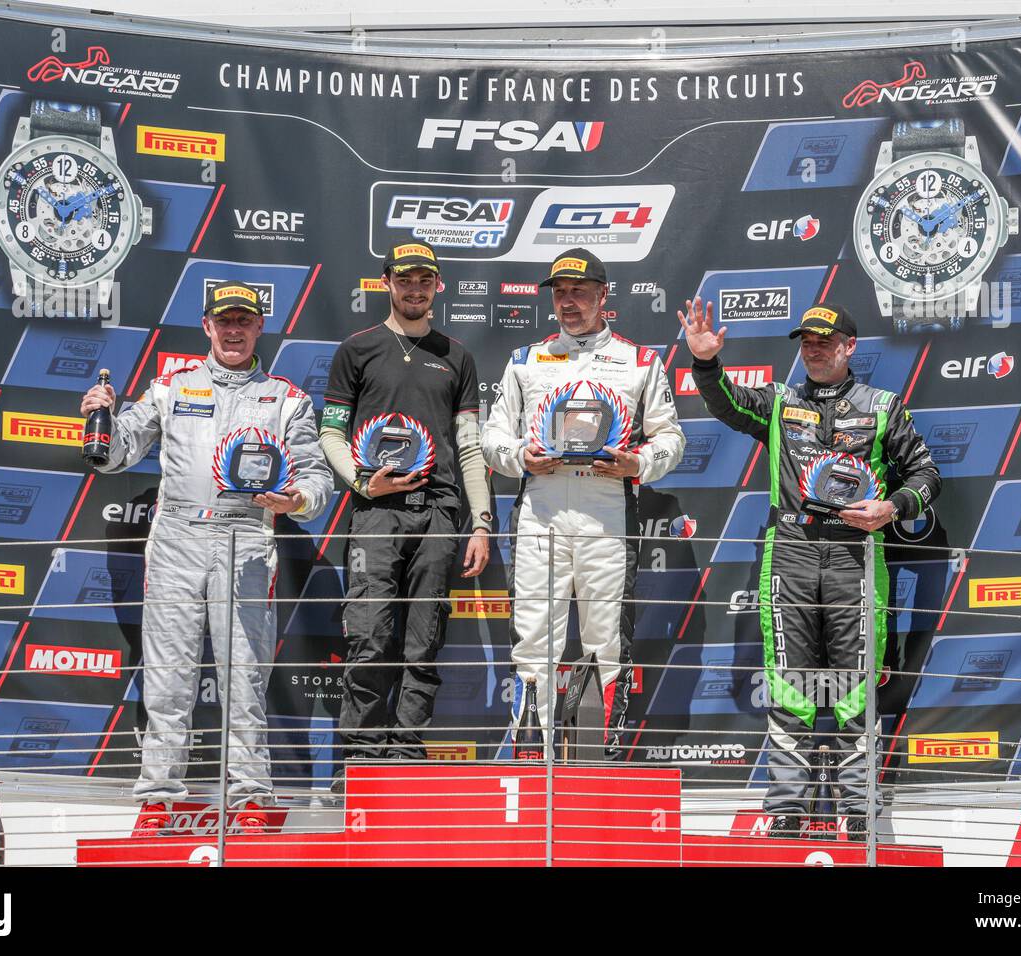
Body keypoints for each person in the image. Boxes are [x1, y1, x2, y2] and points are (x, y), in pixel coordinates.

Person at [679, 298, 941, 840]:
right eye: (806, 342)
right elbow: (728, 405)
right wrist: (705, 363)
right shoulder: (779, 401)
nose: (814, 350)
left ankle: (858, 805)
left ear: (849, 348)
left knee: (857, 684)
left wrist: (891, 508)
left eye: (825, 342)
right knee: (789, 682)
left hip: (857, 554)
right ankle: (788, 807)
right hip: (791, 549)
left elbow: (926, 473)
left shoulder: (883, 405)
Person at [80, 280, 332, 835]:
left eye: (245, 319)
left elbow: (318, 477)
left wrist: (298, 499)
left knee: (244, 679)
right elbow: (118, 453)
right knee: (168, 680)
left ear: (260, 325)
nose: (235, 329)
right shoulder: (171, 385)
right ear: (208, 326)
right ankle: (160, 799)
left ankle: (250, 796)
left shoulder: (287, 398)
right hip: (176, 538)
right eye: (225, 320)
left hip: (246, 539)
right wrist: (99, 417)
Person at [483, 248, 685, 758]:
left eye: (579, 291)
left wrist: (637, 466)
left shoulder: (640, 362)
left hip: (607, 507)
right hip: (541, 507)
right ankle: (533, 757)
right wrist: (517, 457)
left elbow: (670, 438)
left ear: (603, 295)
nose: (569, 302)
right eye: (560, 292)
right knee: (533, 637)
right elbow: (492, 436)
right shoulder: (525, 360)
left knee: (605, 641)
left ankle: (600, 760)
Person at [319, 241, 491, 788]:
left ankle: (406, 758)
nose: (414, 289)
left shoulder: (457, 356)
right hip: (374, 511)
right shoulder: (358, 349)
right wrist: (362, 482)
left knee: (424, 640)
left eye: (425, 280)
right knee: (369, 637)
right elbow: (330, 432)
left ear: (437, 286)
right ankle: (360, 766)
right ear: (387, 282)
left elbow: (468, 447)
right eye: (405, 279)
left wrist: (481, 521)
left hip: (440, 513)